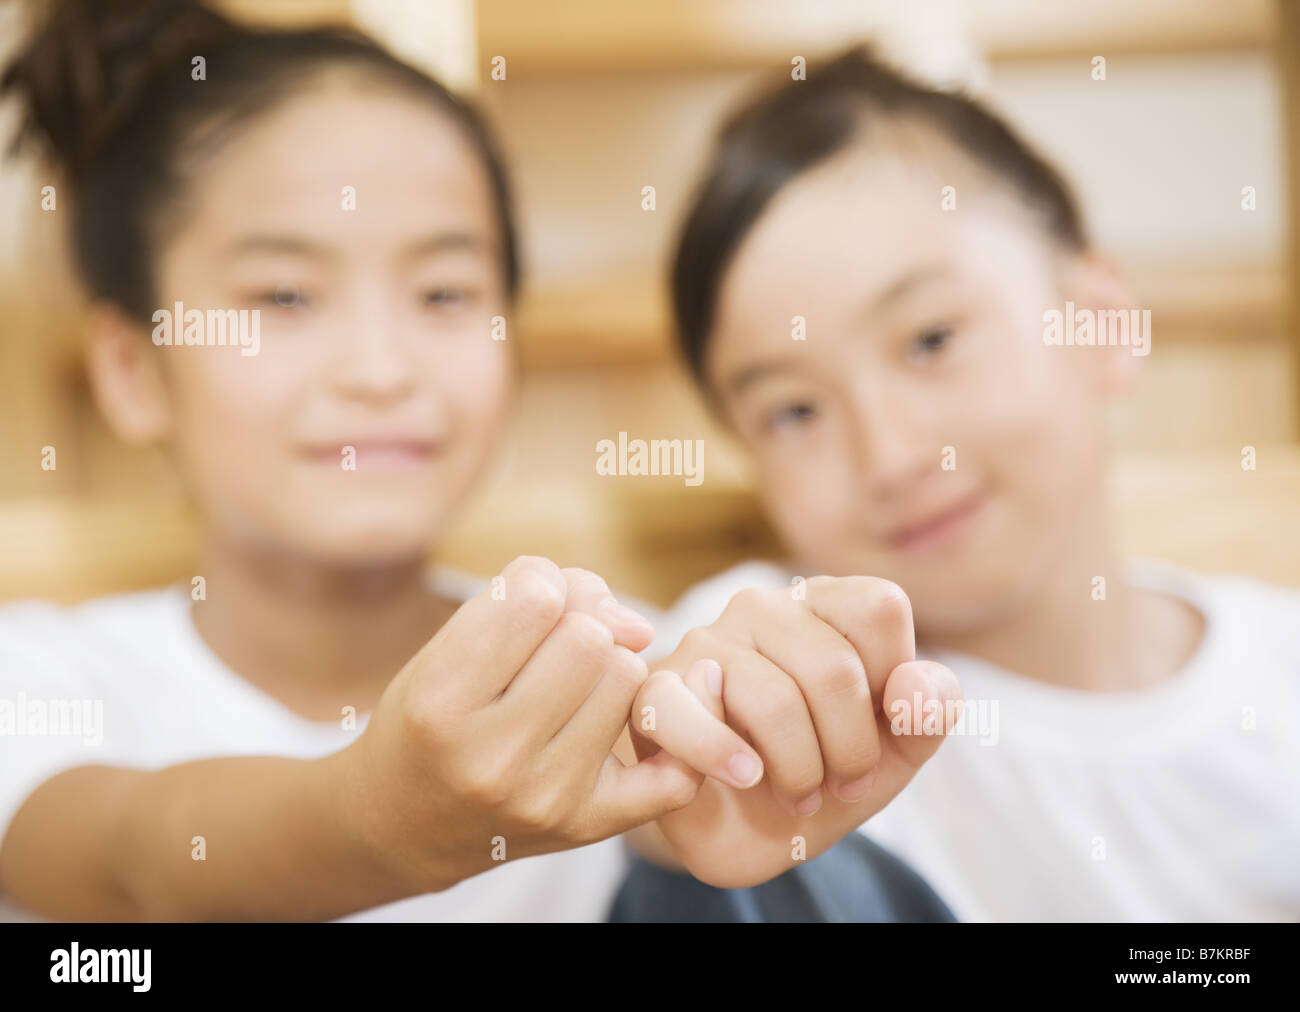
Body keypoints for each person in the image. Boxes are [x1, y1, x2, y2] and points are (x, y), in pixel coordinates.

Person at [0, 4, 959, 921]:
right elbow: (138, 869)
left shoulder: (633, 674)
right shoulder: (44, 679)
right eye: (285, 297)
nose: (381, 370)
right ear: (132, 370)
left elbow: (702, 812)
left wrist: (727, 810)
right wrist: (384, 815)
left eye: (445, 293)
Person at [638, 46, 1300, 921]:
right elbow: (676, 758)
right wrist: (683, 792)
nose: (893, 456)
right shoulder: (788, 674)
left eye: (932, 340)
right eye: (795, 413)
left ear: (1101, 319)